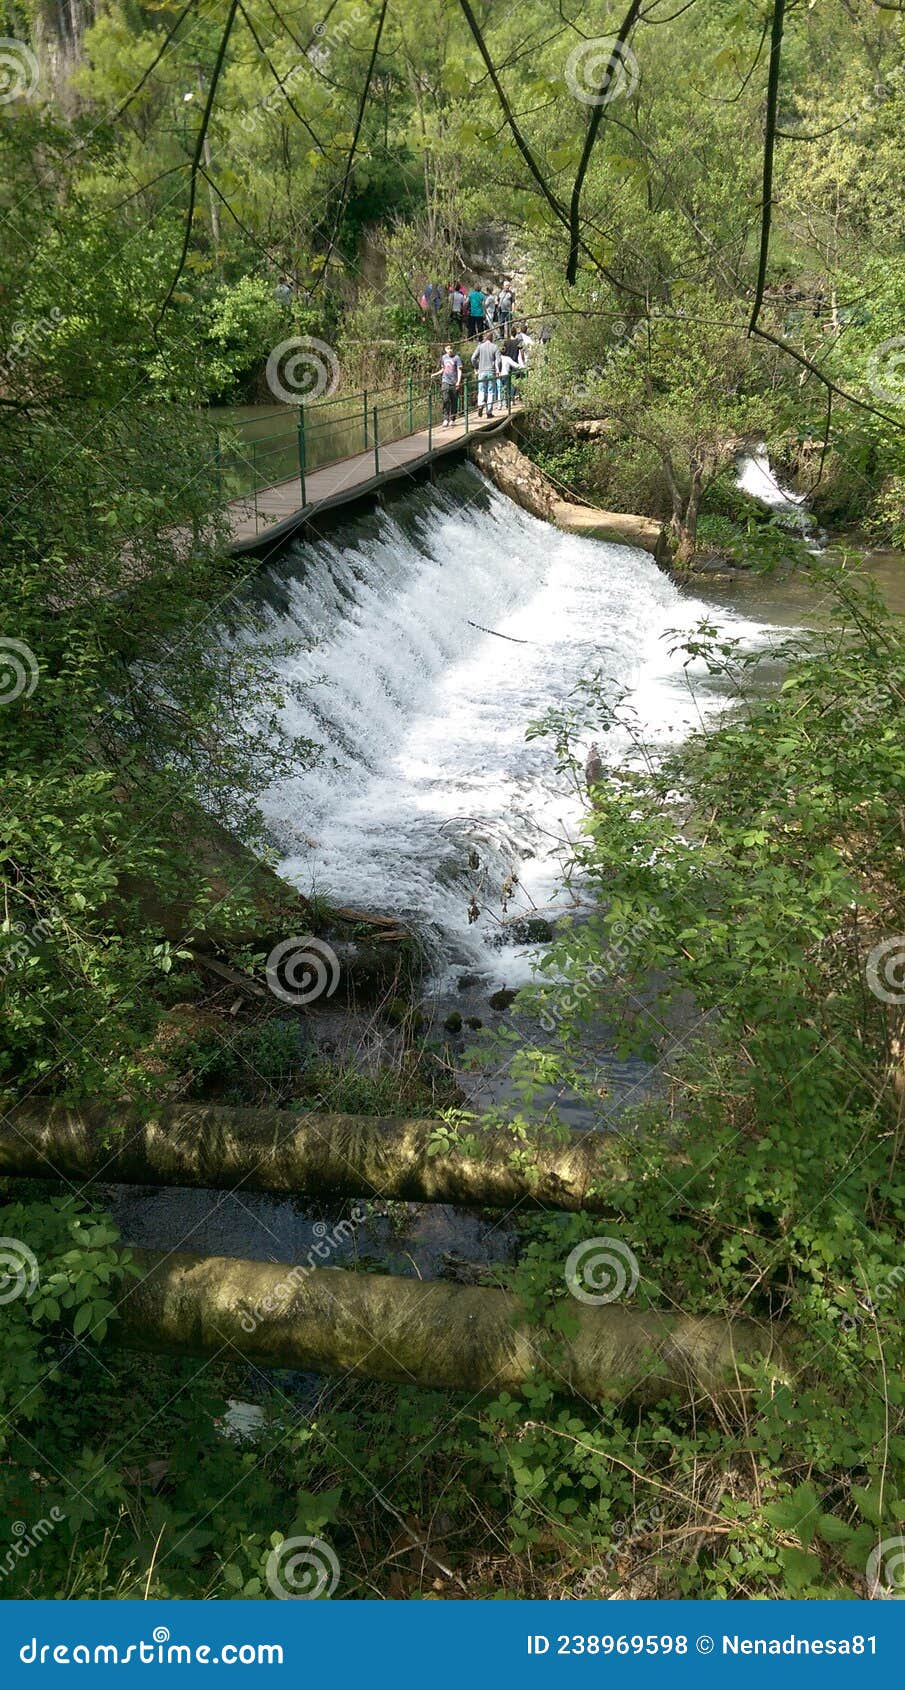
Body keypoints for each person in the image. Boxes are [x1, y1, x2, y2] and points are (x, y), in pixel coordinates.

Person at [471, 330, 499, 417]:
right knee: (490, 391)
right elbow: (499, 360)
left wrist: (476, 367)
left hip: (481, 372)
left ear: (484, 337)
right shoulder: (495, 347)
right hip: (491, 372)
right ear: (492, 338)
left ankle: (481, 404)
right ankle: (489, 412)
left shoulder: (480, 346)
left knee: (481, 390)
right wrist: (499, 370)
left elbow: (473, 358)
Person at [435, 343, 463, 426]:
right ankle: (445, 418)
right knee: (446, 399)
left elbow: (459, 370)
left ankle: (452, 419)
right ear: (445, 349)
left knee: (454, 401)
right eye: (448, 349)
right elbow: (443, 369)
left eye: (451, 348)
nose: (449, 350)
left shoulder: (456, 358)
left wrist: (458, 381)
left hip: (454, 382)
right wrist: (435, 374)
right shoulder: (443, 357)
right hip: (445, 381)